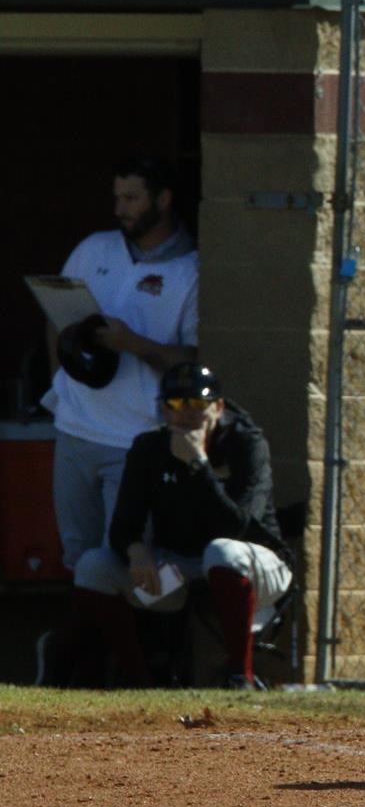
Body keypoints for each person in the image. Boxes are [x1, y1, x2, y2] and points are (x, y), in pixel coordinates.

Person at [48, 362, 293, 690]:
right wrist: (136, 551)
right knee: (94, 566)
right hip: (179, 574)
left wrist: (198, 464)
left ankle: (241, 678)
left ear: (218, 407)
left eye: (196, 404)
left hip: (259, 569)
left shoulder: (246, 445)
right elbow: (124, 526)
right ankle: (141, 684)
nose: (185, 414)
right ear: (164, 410)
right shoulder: (150, 448)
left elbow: (238, 526)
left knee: (221, 551)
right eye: (175, 405)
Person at [42, 156, 199, 570]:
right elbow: (55, 317)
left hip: (136, 439)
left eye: (131, 198)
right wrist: (60, 383)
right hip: (75, 430)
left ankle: (148, 626)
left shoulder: (192, 270)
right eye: (117, 198)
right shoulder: (94, 248)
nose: (120, 209)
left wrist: (132, 343)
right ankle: (88, 633)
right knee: (77, 558)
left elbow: (194, 361)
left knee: (127, 561)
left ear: (163, 199)